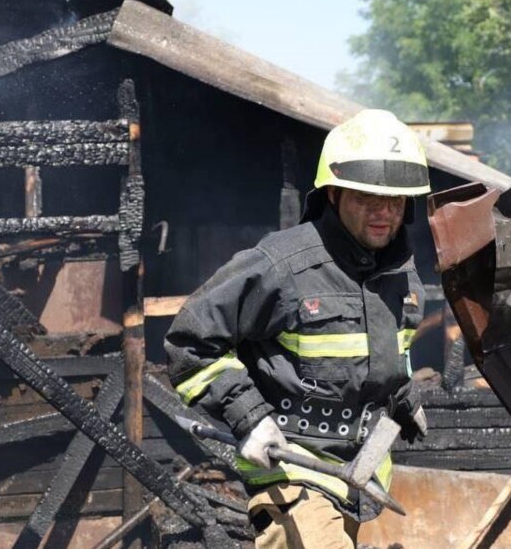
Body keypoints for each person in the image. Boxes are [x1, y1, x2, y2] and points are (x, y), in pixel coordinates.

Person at [165, 109, 432, 548]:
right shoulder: (281, 264)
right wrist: (249, 419)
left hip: (364, 474)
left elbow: (383, 355)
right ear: (333, 193)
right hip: (294, 467)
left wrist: (402, 396)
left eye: (397, 201)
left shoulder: (401, 271)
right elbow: (191, 343)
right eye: (368, 198)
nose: (385, 213)